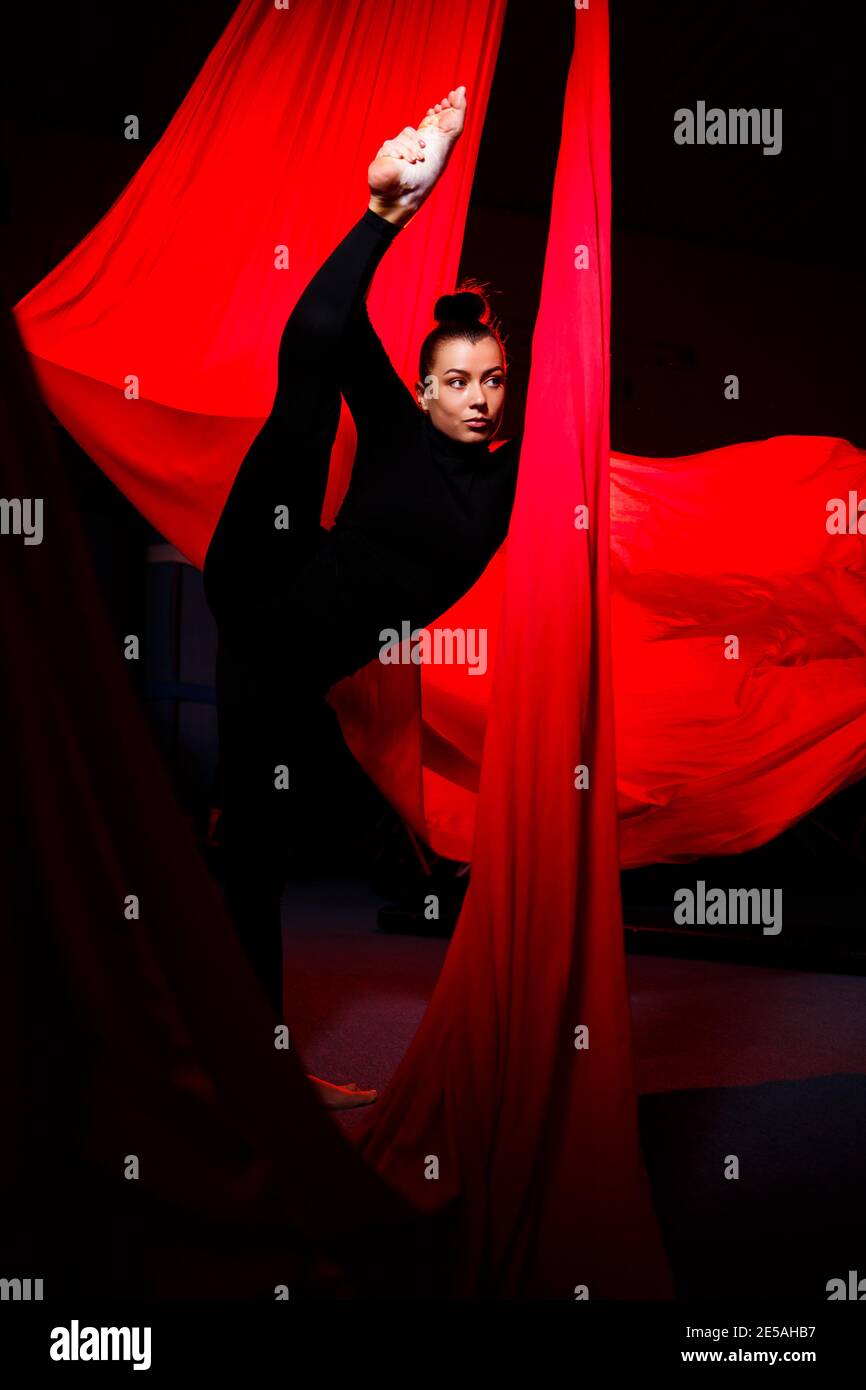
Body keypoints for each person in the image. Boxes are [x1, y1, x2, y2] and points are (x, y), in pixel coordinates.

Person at [202, 87, 522, 1108]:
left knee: (260, 848)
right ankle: (385, 206)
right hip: (266, 567)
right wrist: (386, 221)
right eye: (459, 382)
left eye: (492, 381)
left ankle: (256, 1071)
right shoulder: (396, 431)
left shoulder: (518, 483)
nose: (477, 398)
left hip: (285, 666)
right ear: (426, 391)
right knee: (308, 376)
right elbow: (322, 332)